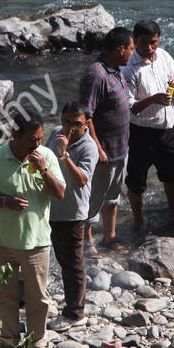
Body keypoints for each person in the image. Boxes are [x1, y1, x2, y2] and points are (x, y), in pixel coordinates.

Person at [0, 113, 66, 348]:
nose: (36, 145)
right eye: (31, 140)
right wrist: (5, 201)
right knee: (5, 294)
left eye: (39, 139)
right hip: (3, 241)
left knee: (39, 296)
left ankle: (37, 341)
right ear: (14, 136)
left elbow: (59, 194)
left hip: (37, 242)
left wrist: (44, 170)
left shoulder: (46, 156)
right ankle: (8, 340)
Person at [123, 19, 174, 230]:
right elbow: (129, 107)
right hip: (140, 132)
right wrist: (153, 99)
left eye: (153, 42)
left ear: (159, 39)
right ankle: (138, 222)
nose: (149, 48)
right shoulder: (129, 68)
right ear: (135, 41)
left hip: (166, 130)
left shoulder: (165, 57)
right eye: (144, 43)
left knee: (172, 176)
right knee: (135, 181)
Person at [79, 27, 134, 252]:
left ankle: (109, 237)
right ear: (120, 49)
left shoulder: (115, 69)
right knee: (95, 197)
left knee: (113, 196)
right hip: (105, 151)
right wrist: (97, 147)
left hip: (121, 148)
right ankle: (86, 242)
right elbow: (85, 114)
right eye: (131, 48)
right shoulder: (97, 74)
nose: (133, 53)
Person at [46, 103, 99, 326]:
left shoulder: (89, 148)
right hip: (48, 207)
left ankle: (75, 313)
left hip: (72, 213)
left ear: (86, 124)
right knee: (46, 256)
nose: (69, 128)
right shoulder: (55, 134)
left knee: (72, 265)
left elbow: (81, 180)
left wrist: (65, 154)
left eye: (76, 124)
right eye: (66, 122)